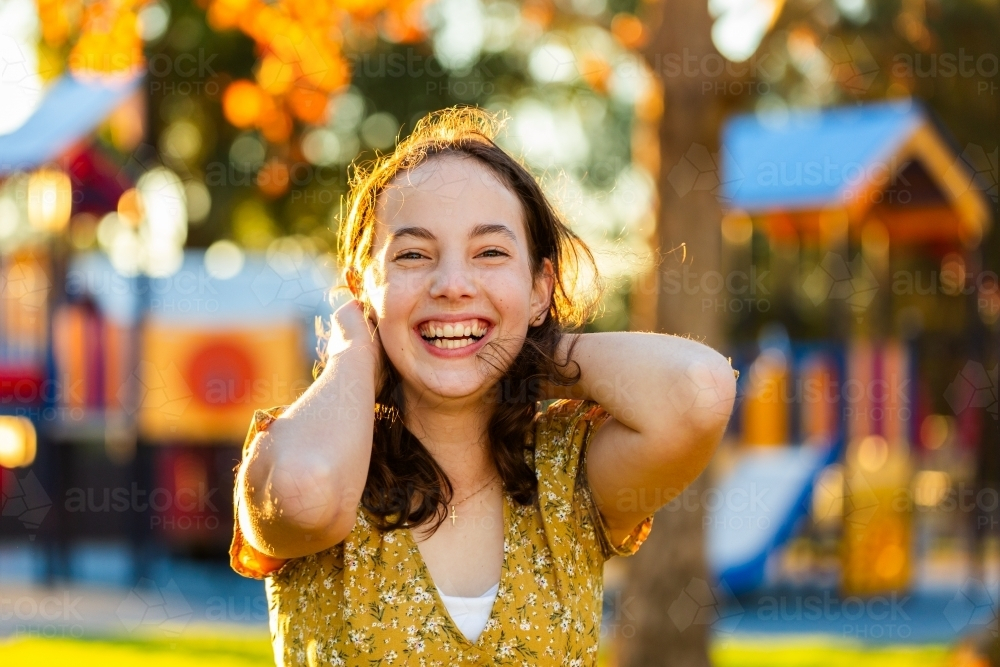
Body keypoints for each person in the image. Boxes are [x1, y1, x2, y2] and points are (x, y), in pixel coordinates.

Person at [230, 106, 737, 666]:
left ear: (540, 288)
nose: (452, 285)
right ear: (363, 286)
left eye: (490, 252)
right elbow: (307, 496)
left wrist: (524, 344)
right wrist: (355, 351)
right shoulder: (293, 446)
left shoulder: (568, 473)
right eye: (413, 254)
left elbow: (700, 390)